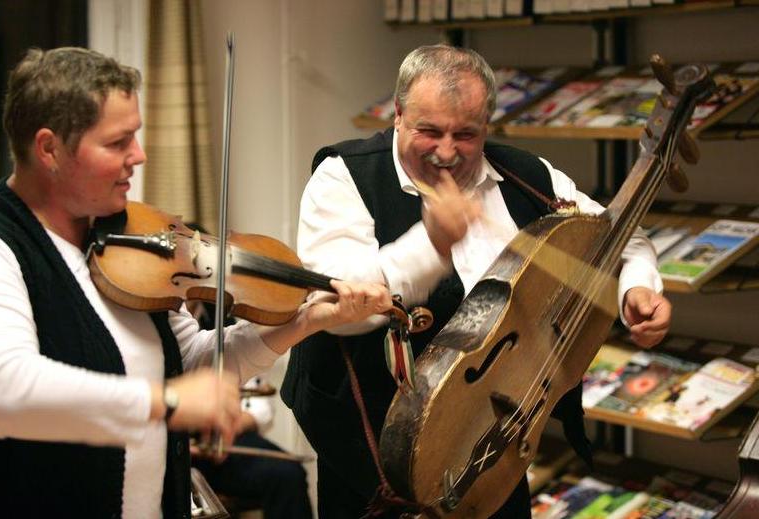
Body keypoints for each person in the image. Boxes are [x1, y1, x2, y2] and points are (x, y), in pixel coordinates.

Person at [0, 47, 391, 519]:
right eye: (118, 142)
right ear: (49, 148)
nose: (140, 155)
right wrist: (167, 401)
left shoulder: (127, 239)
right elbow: (0, 389)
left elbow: (194, 362)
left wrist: (307, 321)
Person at [281, 44, 672, 518]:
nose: (447, 151)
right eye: (429, 131)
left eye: (465, 134)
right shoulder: (343, 179)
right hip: (371, 463)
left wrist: (638, 286)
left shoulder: (529, 176)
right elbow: (340, 313)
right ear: (399, 114)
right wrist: (433, 243)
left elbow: (621, 234)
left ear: (487, 123)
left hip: (496, 450)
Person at [193, 375, 314, 519]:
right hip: (182, 438)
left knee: (290, 475)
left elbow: (260, 405)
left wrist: (229, 424)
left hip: (234, 435)